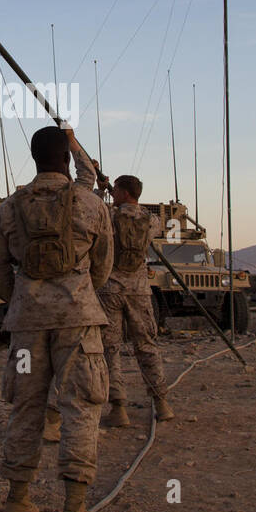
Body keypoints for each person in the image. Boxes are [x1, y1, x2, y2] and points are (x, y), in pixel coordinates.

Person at [0, 125, 113, 512]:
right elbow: (103, 268)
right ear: (64, 158)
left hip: (27, 326)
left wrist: (23, 298)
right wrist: (77, 293)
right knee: (81, 407)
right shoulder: (91, 205)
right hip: (77, 322)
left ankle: (17, 503)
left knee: (26, 407)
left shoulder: (8, 208)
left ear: (35, 157)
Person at [93, 172, 174, 426]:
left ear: (125, 192)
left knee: (110, 348)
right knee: (147, 345)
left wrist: (100, 191)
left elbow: (94, 210)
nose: (113, 193)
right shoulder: (152, 220)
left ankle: (119, 408)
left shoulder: (109, 214)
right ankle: (161, 403)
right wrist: (109, 189)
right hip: (139, 289)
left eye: (116, 190)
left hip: (110, 289)